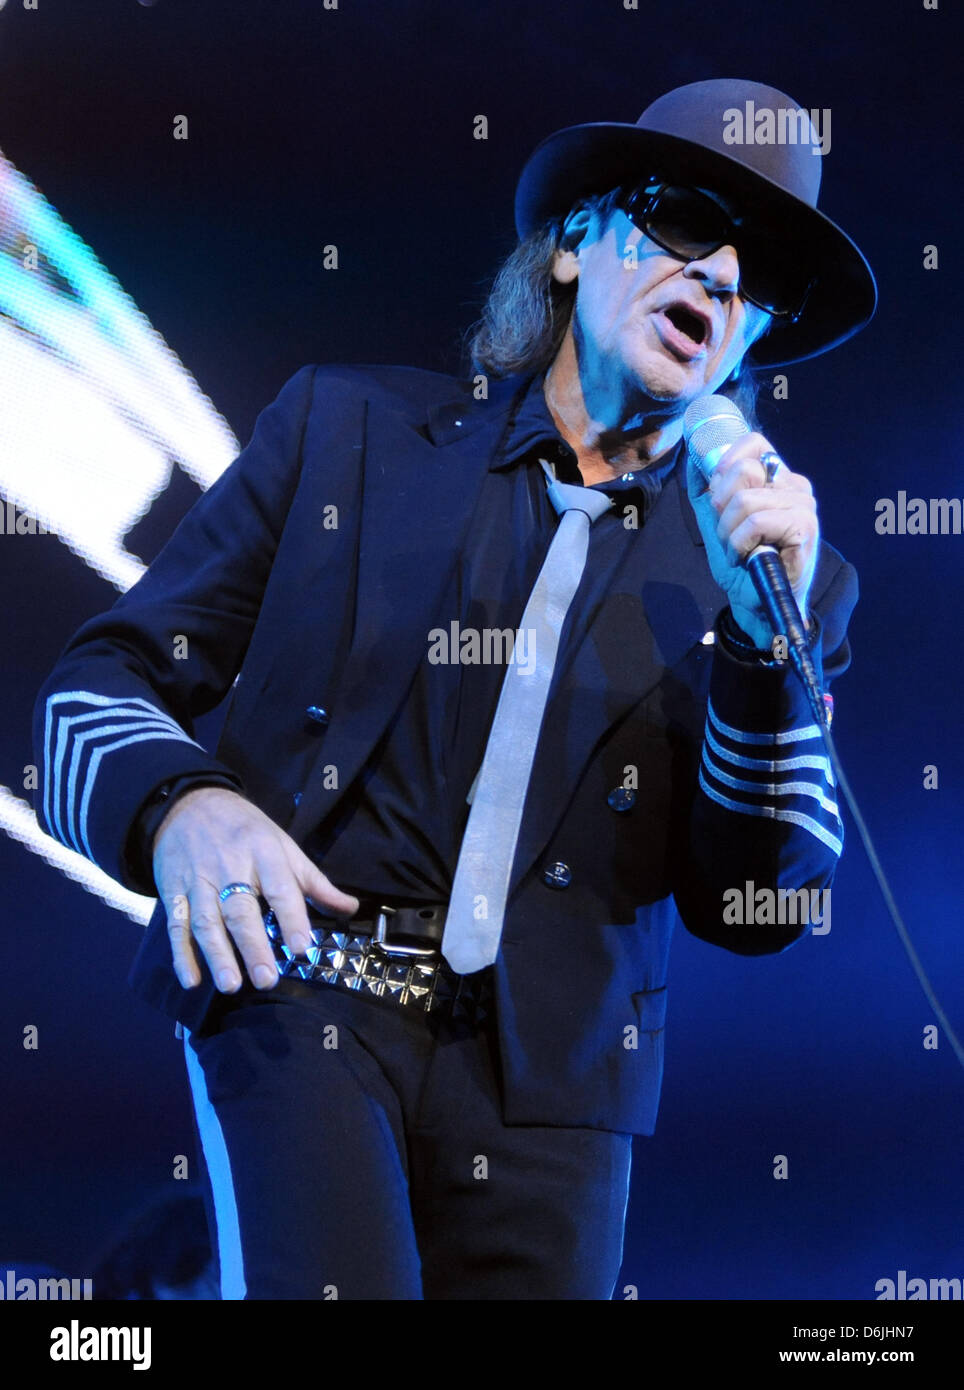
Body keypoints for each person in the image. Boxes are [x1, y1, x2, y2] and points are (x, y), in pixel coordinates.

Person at [32, 77, 876, 1300]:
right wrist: (179, 807)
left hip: (555, 1101)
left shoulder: (780, 580)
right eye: (690, 223)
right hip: (304, 1004)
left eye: (766, 279)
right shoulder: (348, 435)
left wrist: (758, 644)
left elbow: (755, 903)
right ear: (580, 242)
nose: (724, 279)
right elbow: (98, 677)